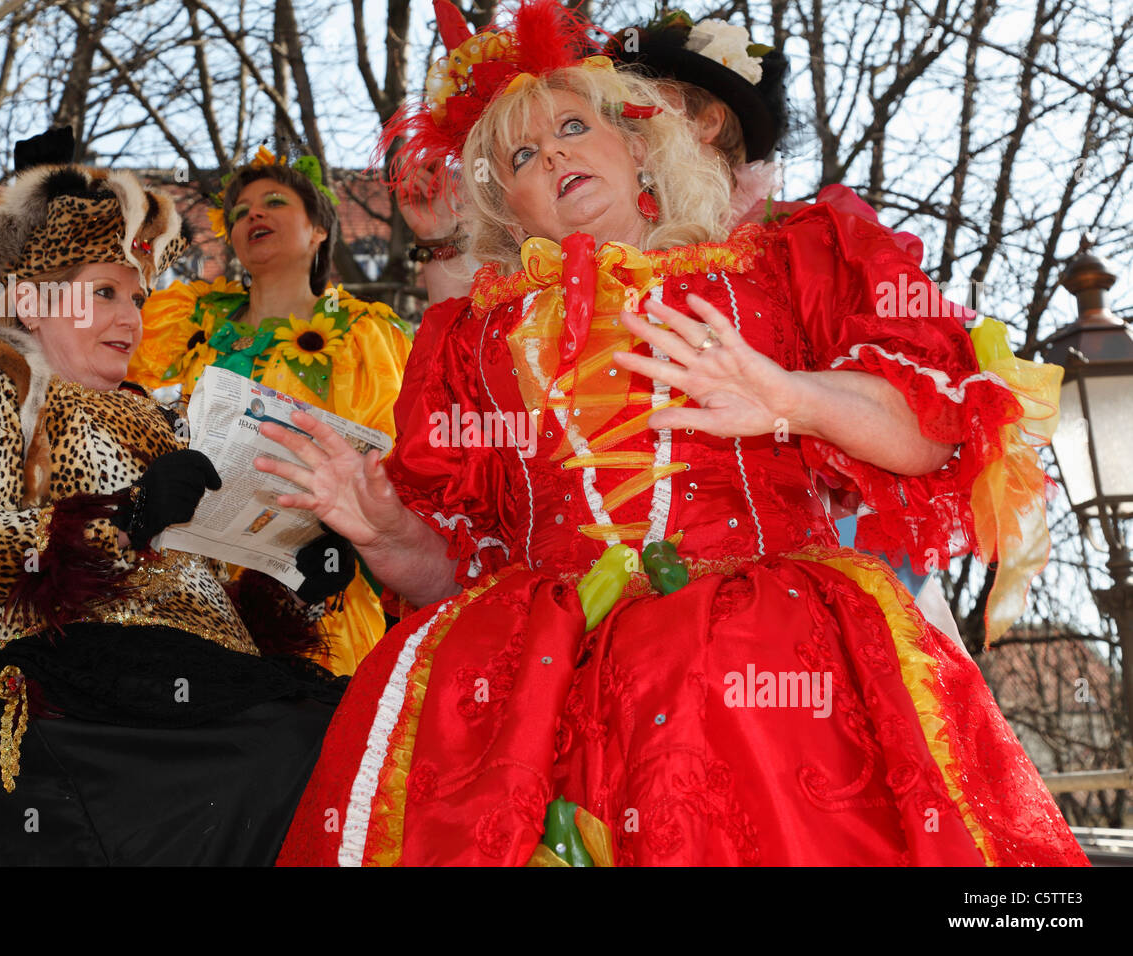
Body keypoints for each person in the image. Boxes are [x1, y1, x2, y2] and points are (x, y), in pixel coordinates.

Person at [264, 0, 1086, 866]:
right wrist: (389, 535)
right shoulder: (469, 340)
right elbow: (456, 571)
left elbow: (930, 434)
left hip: (765, 659)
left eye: (574, 126)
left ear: (639, 141)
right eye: (522, 155)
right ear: (509, 209)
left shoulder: (783, 261)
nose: (553, 154)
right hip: (539, 688)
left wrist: (786, 398)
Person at [0, 164, 344, 865]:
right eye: (104, 292)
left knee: (341, 741)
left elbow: (185, 585)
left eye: (137, 297)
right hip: (50, 692)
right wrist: (125, 518)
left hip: (183, 686)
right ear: (28, 302)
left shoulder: (163, 420)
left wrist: (295, 577)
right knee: (287, 748)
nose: (130, 318)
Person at [128, 148, 413, 677]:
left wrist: (342, 542)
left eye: (274, 202)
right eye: (239, 212)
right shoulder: (181, 319)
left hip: (318, 607)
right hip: (184, 602)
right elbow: (130, 427)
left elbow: (394, 468)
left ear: (319, 230)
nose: (252, 214)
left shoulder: (366, 336)